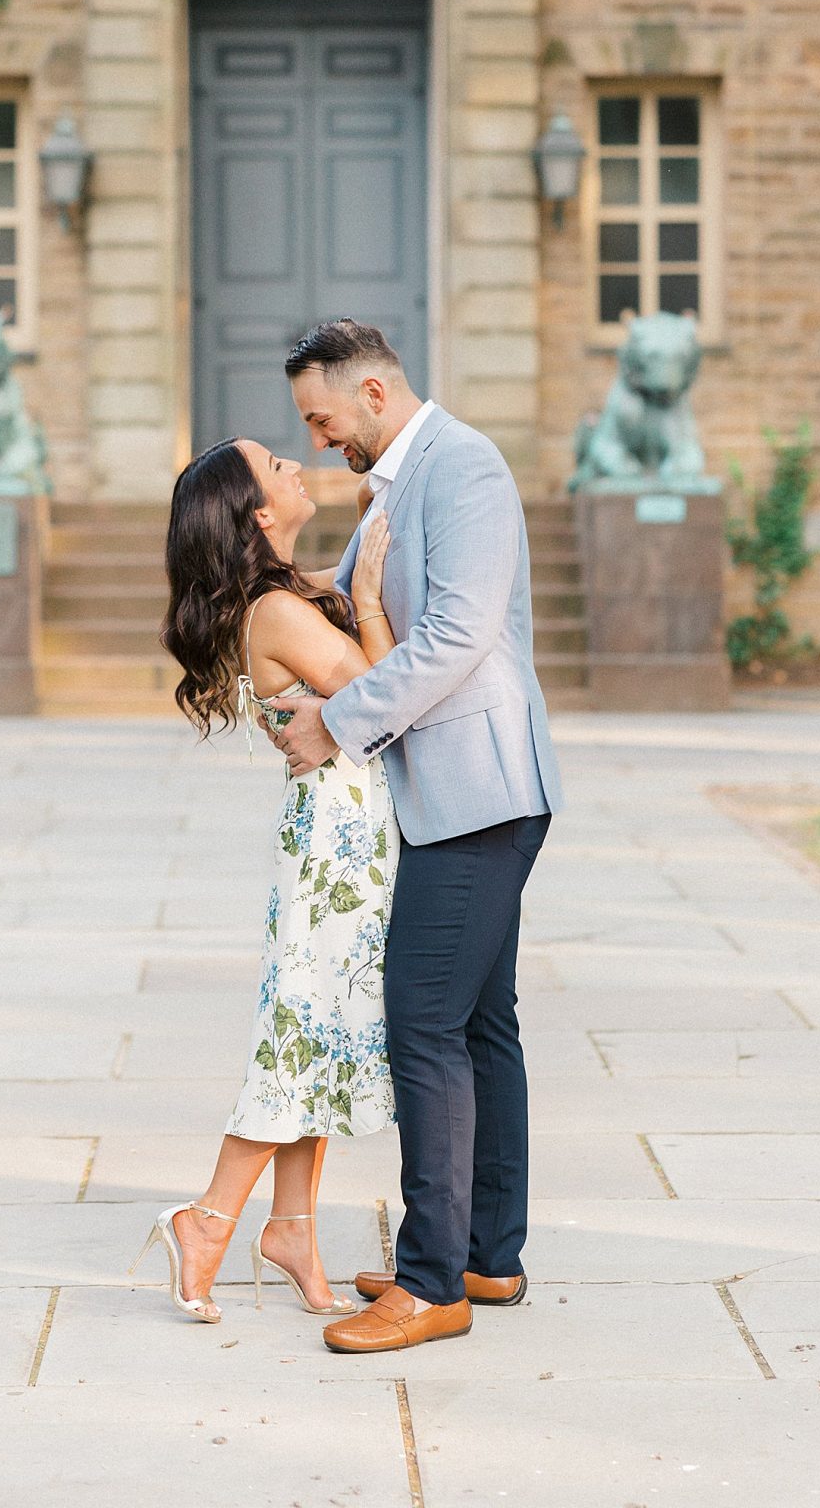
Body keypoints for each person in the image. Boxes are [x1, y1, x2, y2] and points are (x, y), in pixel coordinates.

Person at [270, 318, 563, 1356]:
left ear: (377, 394)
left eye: (323, 418)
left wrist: (336, 719)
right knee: (482, 1022)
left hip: (481, 789)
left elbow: (456, 633)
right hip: (447, 791)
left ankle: (434, 1283)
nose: (317, 440)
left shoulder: (465, 467)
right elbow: (343, 601)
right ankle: (485, 1252)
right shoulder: (391, 482)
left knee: (424, 1021)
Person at [132, 434, 398, 1323]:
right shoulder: (278, 612)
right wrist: (364, 597)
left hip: (335, 837)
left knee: (318, 1030)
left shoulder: (280, 594)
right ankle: (207, 1220)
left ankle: (290, 1228)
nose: (294, 464)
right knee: (297, 1037)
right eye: (275, 465)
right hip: (338, 848)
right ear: (257, 511)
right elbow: (380, 690)